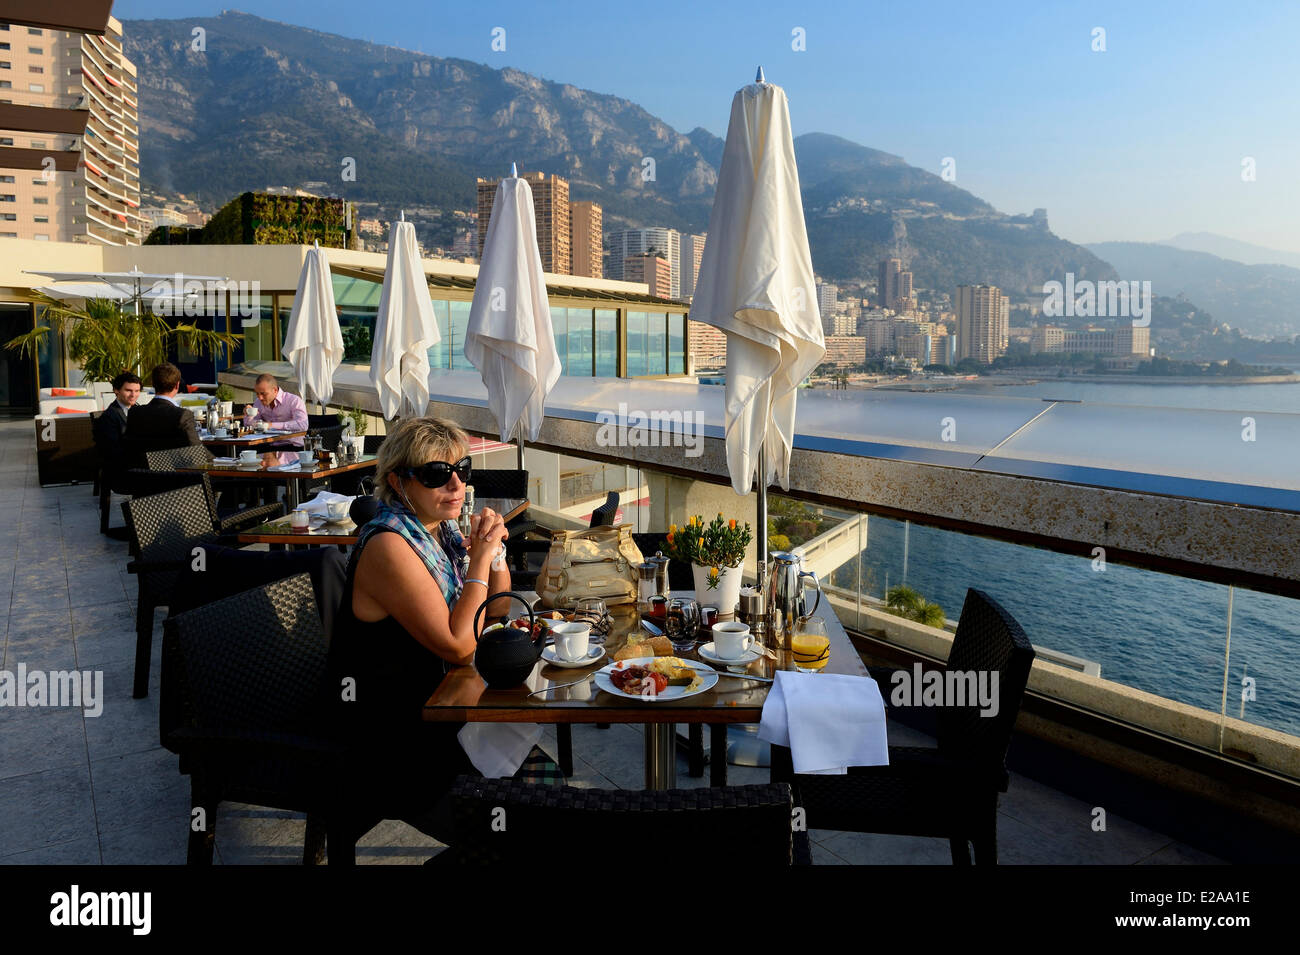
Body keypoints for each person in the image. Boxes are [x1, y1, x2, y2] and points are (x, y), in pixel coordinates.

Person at [329, 416, 516, 838]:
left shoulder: (436, 531)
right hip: (394, 741)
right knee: (522, 817)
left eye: (461, 470)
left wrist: (494, 551)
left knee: (541, 785)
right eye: (437, 475)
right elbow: (460, 645)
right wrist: (480, 560)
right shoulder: (389, 544)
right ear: (398, 483)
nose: (456, 486)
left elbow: (499, 606)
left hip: (442, 710)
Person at [120, 362, 200, 469]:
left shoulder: (134, 413)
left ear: (153, 384)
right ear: (177, 385)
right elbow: (197, 452)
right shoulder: (182, 415)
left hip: (142, 479)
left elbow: (130, 449)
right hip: (178, 480)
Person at [92, 371, 141, 485]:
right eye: (128, 390)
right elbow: (113, 451)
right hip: (123, 470)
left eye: (137, 391)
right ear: (116, 390)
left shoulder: (138, 409)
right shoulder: (109, 417)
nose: (133, 395)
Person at [242, 373, 309, 434]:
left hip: (291, 444)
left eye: (263, 394)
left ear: (275, 390)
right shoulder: (258, 402)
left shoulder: (294, 400)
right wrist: (248, 415)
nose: (260, 398)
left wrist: (270, 425)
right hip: (266, 444)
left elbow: (302, 425)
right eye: (257, 393)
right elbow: (251, 425)